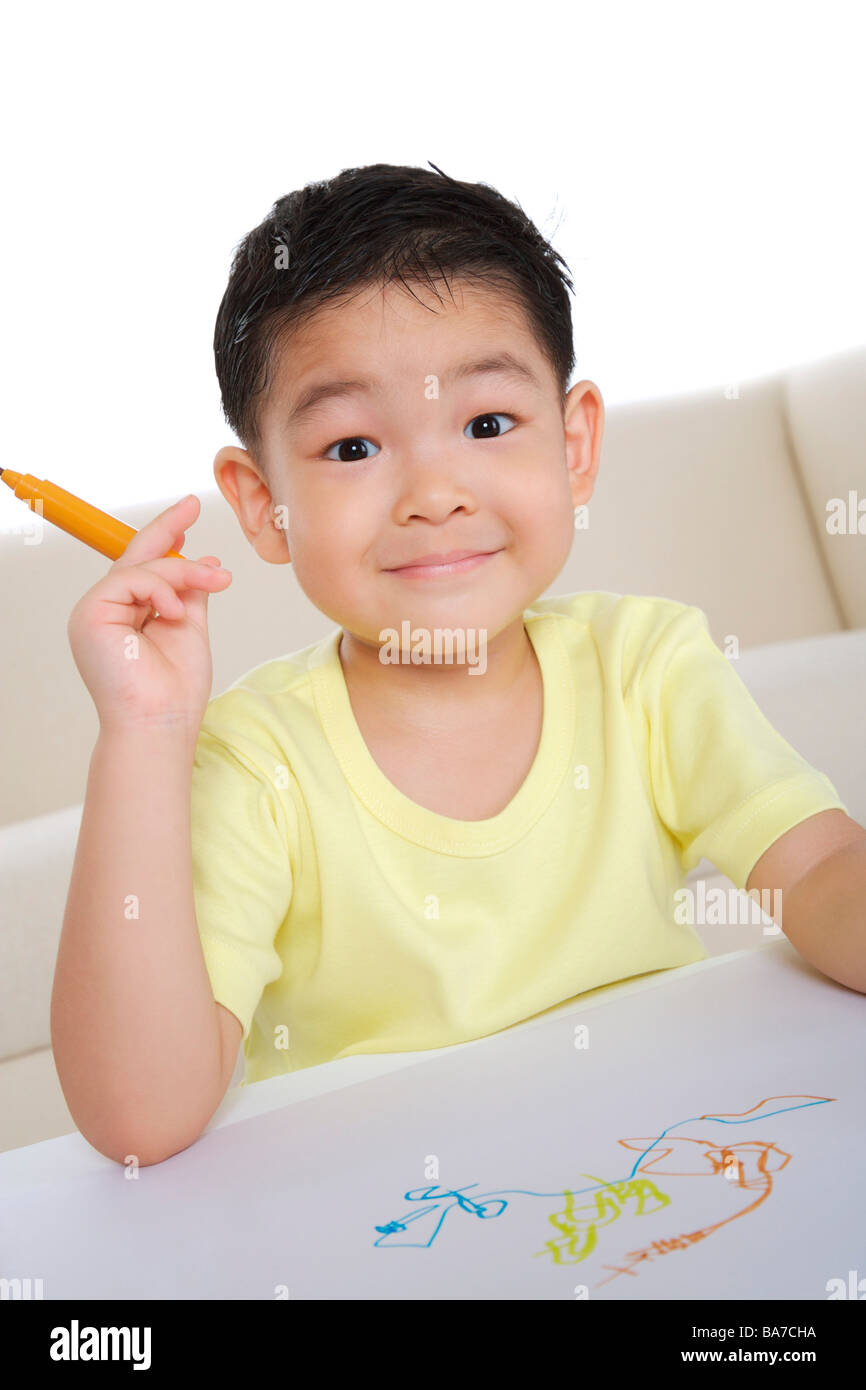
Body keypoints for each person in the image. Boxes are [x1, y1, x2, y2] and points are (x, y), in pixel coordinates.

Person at [54, 162, 866, 1167]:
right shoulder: (253, 757)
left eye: (486, 425)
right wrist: (143, 732)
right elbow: (139, 1118)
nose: (433, 493)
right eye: (352, 447)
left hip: (648, 1177)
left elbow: (823, 872)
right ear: (262, 503)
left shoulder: (645, 665)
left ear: (572, 446)